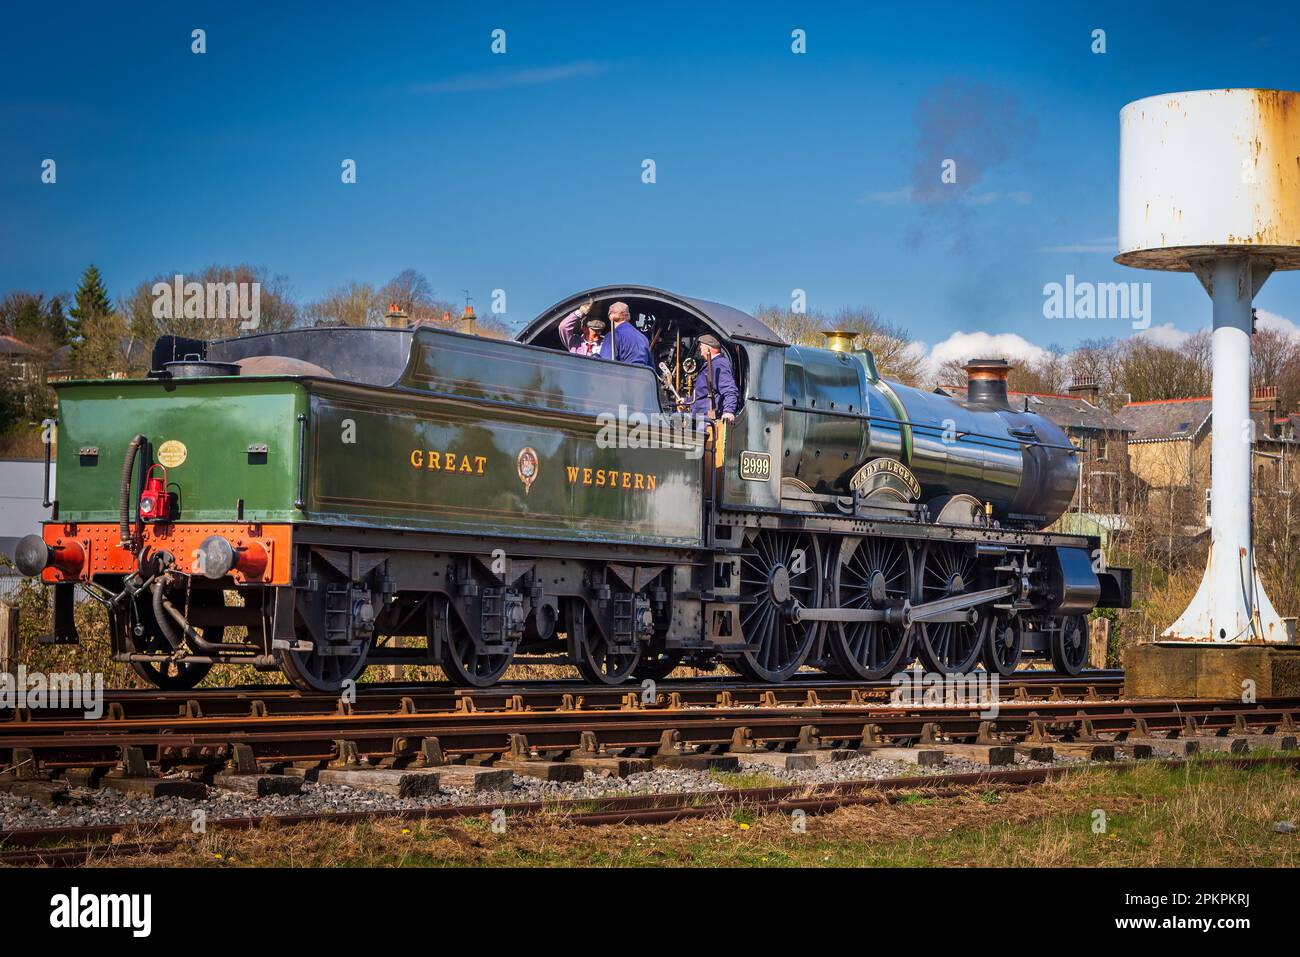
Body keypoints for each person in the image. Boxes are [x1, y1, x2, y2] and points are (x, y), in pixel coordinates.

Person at [689, 334, 738, 422]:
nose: (700, 351)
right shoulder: (711, 364)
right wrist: (687, 400)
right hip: (699, 417)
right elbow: (703, 393)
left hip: (705, 420)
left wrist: (728, 411)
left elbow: (730, 390)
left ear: (708, 348)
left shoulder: (719, 364)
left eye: (701, 347)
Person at [597, 301, 652, 367]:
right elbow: (650, 366)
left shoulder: (612, 336)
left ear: (611, 317)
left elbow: (605, 365)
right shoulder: (643, 338)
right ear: (628, 316)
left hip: (623, 376)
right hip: (642, 376)